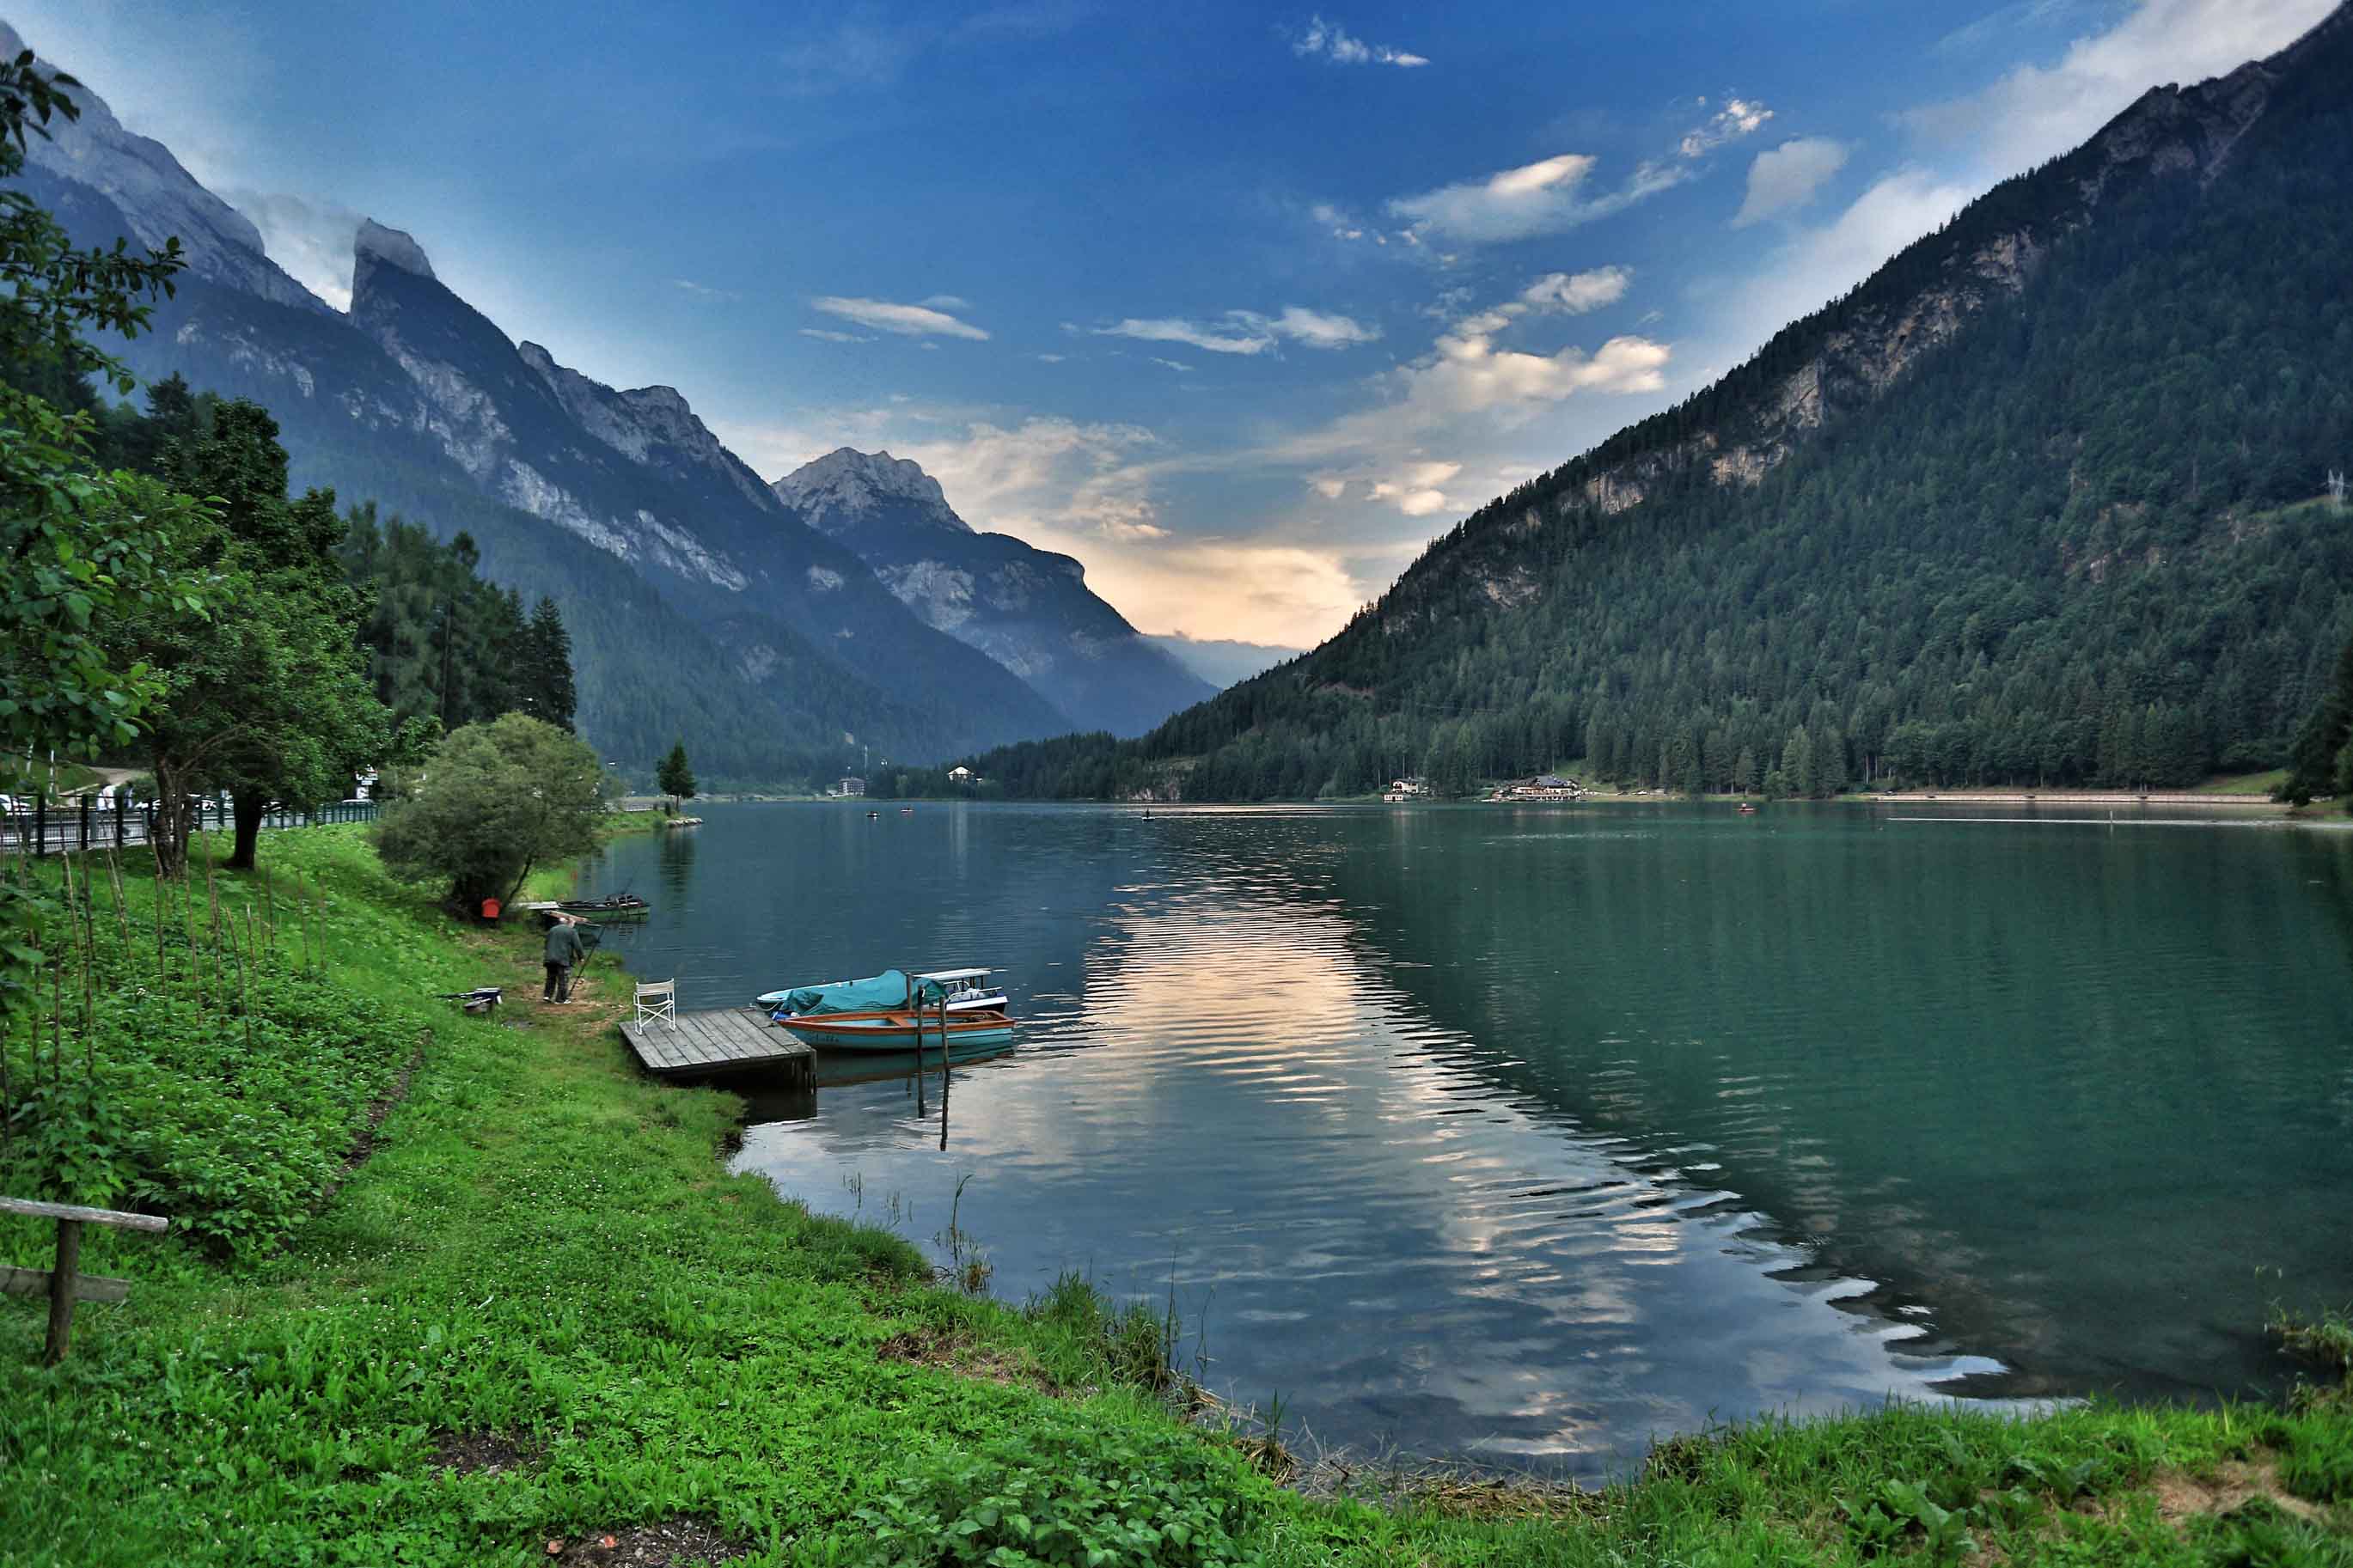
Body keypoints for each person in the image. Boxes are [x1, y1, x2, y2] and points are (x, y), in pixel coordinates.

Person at [542, 917, 586, 1004]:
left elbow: (546, 944)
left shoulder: (552, 930)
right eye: (573, 923)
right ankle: (561, 999)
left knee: (550, 978)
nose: (574, 925)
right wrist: (581, 957)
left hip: (549, 959)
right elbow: (578, 946)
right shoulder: (572, 931)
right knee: (563, 979)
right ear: (569, 923)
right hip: (563, 960)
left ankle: (547, 996)